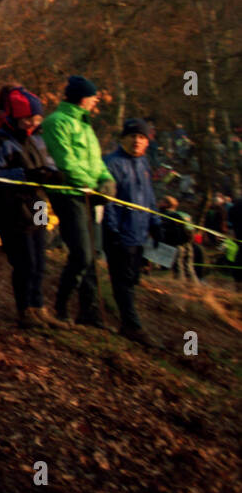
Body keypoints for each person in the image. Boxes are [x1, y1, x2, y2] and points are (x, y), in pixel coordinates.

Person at [0, 88, 65, 328]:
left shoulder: (37, 138)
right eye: (28, 119)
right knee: (25, 260)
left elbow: (46, 162)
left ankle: (39, 306)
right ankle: (25, 308)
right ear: (14, 116)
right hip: (13, 207)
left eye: (37, 119)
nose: (33, 123)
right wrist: (25, 174)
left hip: (37, 204)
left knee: (40, 259)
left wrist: (51, 174)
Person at [40, 75, 115, 327]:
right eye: (94, 97)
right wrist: (91, 186)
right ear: (84, 98)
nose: (96, 102)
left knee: (93, 255)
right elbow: (66, 161)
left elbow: (96, 161)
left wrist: (107, 180)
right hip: (70, 196)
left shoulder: (85, 125)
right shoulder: (56, 122)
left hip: (91, 197)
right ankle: (61, 306)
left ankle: (89, 311)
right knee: (81, 254)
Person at [101, 119, 158, 346]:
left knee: (132, 279)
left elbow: (150, 196)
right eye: (133, 136)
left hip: (140, 232)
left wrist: (156, 222)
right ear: (123, 138)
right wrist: (113, 231)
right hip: (120, 233)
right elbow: (109, 202)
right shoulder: (112, 163)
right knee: (122, 279)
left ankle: (128, 320)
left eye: (142, 137)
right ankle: (131, 326)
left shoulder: (144, 164)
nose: (137, 141)